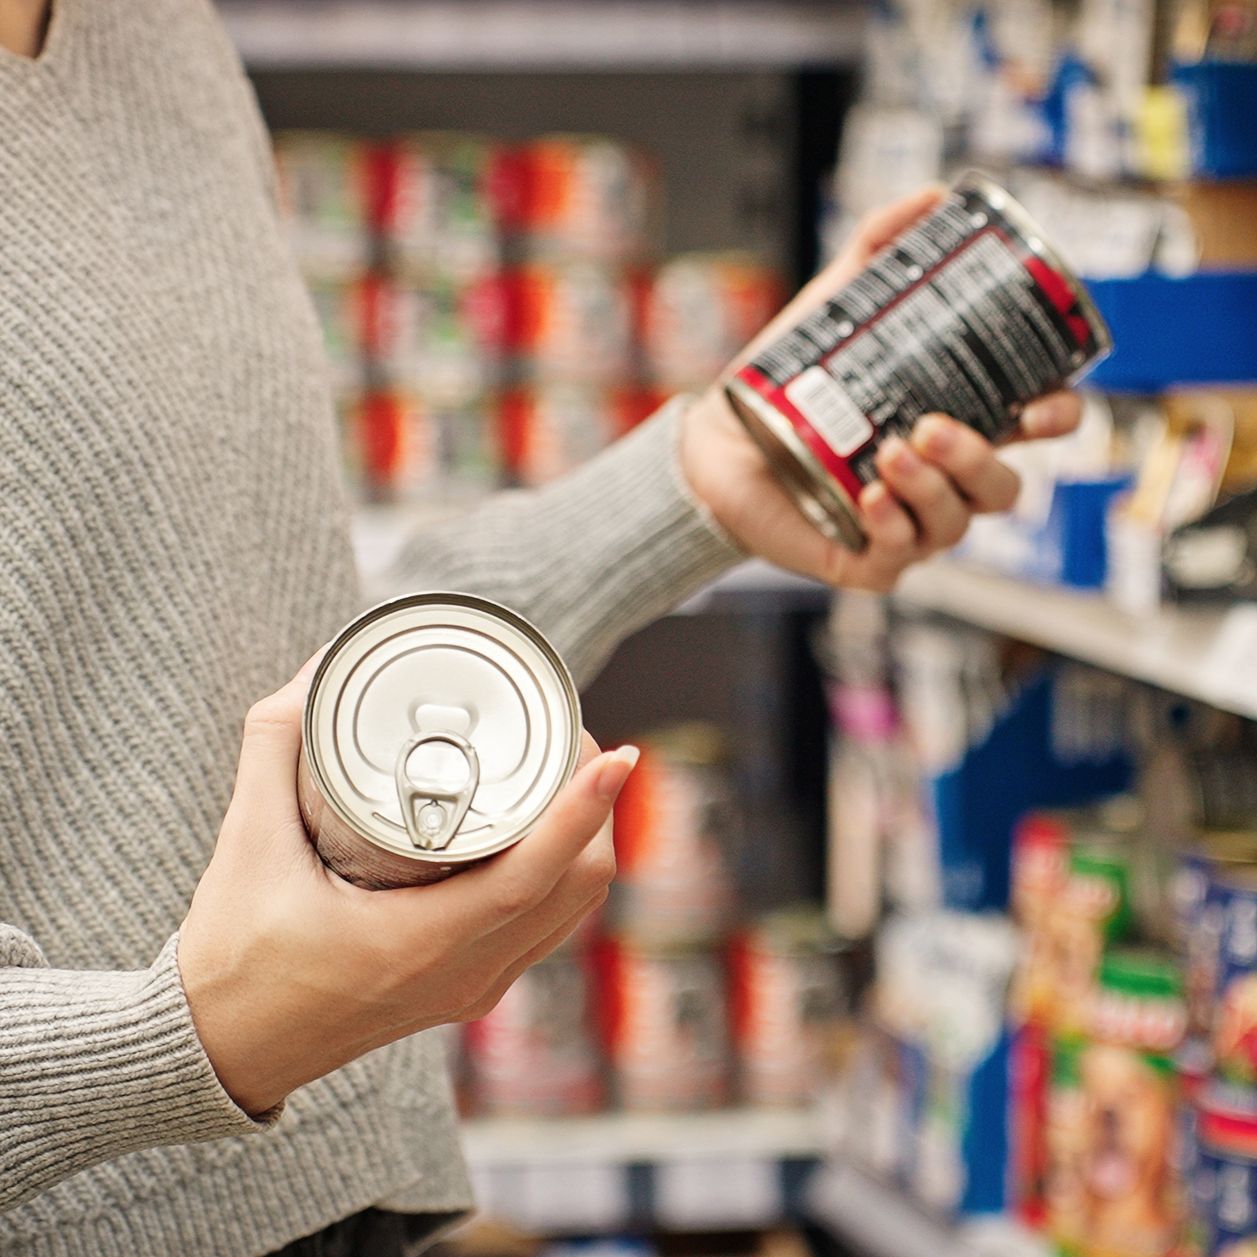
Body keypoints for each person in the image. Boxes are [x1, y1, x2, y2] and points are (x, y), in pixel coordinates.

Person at [0, 1, 1081, 1253]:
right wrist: (197, 1034)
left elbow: (233, 670)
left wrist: (702, 477)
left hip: (326, 1203)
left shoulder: (146, 31)